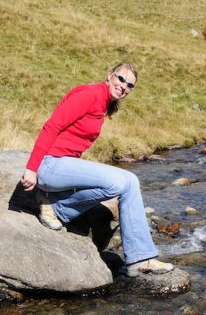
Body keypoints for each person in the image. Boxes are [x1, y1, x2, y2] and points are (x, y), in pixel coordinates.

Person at [20, 62, 174, 277]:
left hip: (61, 165)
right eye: (121, 79)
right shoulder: (90, 94)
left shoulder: (103, 102)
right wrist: (31, 168)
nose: (124, 86)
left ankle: (139, 259)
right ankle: (56, 207)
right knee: (121, 181)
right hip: (50, 165)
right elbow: (52, 126)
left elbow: (73, 142)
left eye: (130, 85)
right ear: (110, 74)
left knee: (128, 183)